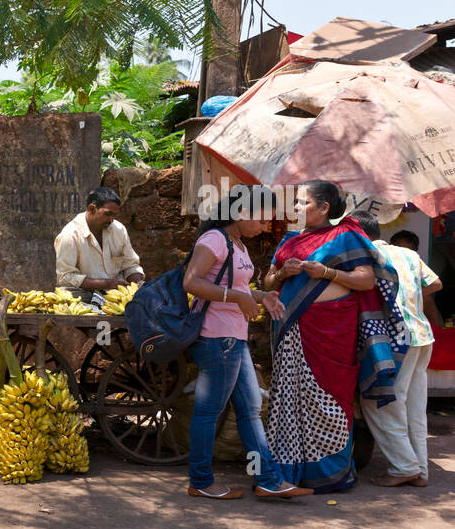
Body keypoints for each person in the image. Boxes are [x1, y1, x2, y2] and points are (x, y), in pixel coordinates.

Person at [262, 181, 409, 493]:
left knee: (332, 398)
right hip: (292, 330)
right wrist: (284, 272)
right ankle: (288, 472)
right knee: (288, 401)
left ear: (324, 207)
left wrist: (325, 273)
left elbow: (366, 281)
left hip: (332, 333)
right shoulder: (290, 239)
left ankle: (329, 474)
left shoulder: (345, 235)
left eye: (303, 203)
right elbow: (268, 279)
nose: (296, 209)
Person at [180, 187, 311, 500]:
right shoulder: (214, 239)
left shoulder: (237, 244)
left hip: (234, 339)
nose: (266, 227)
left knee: (251, 410)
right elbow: (192, 282)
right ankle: (200, 481)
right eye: (263, 220)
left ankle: (268, 480)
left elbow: (234, 286)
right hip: (216, 338)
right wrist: (238, 296)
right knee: (209, 413)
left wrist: (261, 296)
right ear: (241, 213)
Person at [359, 215, 441, 487]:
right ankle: (421, 471)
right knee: (415, 407)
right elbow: (437, 283)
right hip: (422, 334)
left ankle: (404, 467)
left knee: (381, 401)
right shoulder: (407, 254)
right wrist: (410, 293)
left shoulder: (369, 255)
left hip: (397, 336)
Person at [54, 187, 145, 297]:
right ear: (92, 209)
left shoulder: (118, 229)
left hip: (118, 294)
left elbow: (130, 265)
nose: (111, 220)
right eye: (108, 214)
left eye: (114, 215)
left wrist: (138, 283)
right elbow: (65, 277)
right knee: (66, 292)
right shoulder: (70, 235)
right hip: (86, 294)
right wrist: (107, 284)